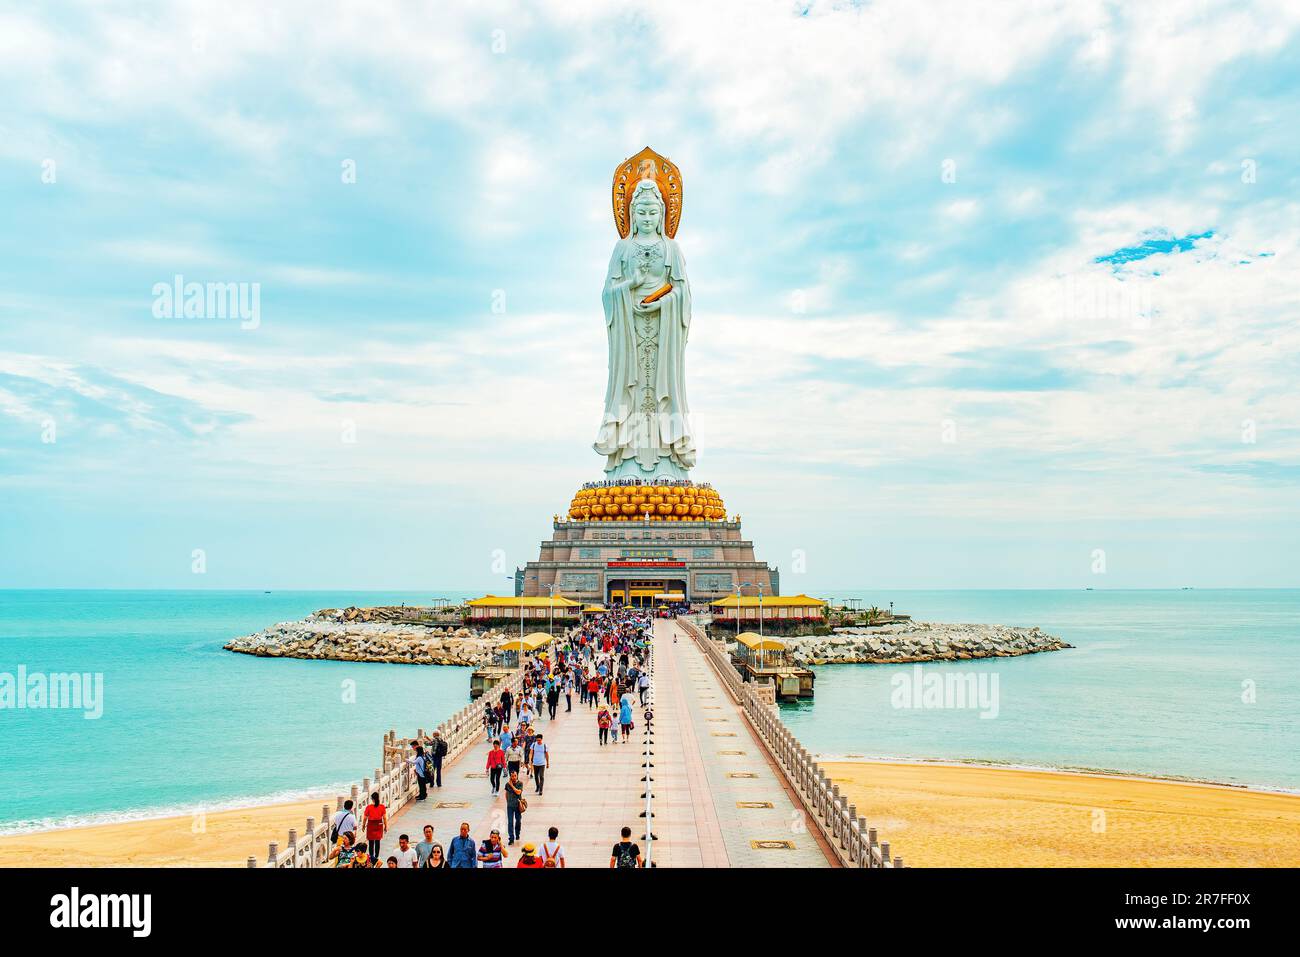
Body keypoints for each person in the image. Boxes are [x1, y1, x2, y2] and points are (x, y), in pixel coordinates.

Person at [363, 791, 387, 862]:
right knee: (377, 841)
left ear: (372, 799)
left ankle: (371, 857)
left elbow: (365, 818)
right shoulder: (382, 807)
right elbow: (384, 818)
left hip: (371, 824)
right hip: (379, 824)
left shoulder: (369, 807)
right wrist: (386, 826)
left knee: (371, 842)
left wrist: (363, 826)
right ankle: (376, 856)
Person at [504, 769, 525, 845]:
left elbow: (518, 792)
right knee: (510, 822)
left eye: (515, 776)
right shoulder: (507, 784)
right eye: (512, 776)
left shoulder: (520, 783)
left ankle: (517, 834)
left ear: (517, 776)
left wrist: (512, 785)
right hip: (510, 806)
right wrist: (508, 802)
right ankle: (511, 838)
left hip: (517, 806)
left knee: (518, 821)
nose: (514, 777)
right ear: (510, 776)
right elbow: (506, 793)